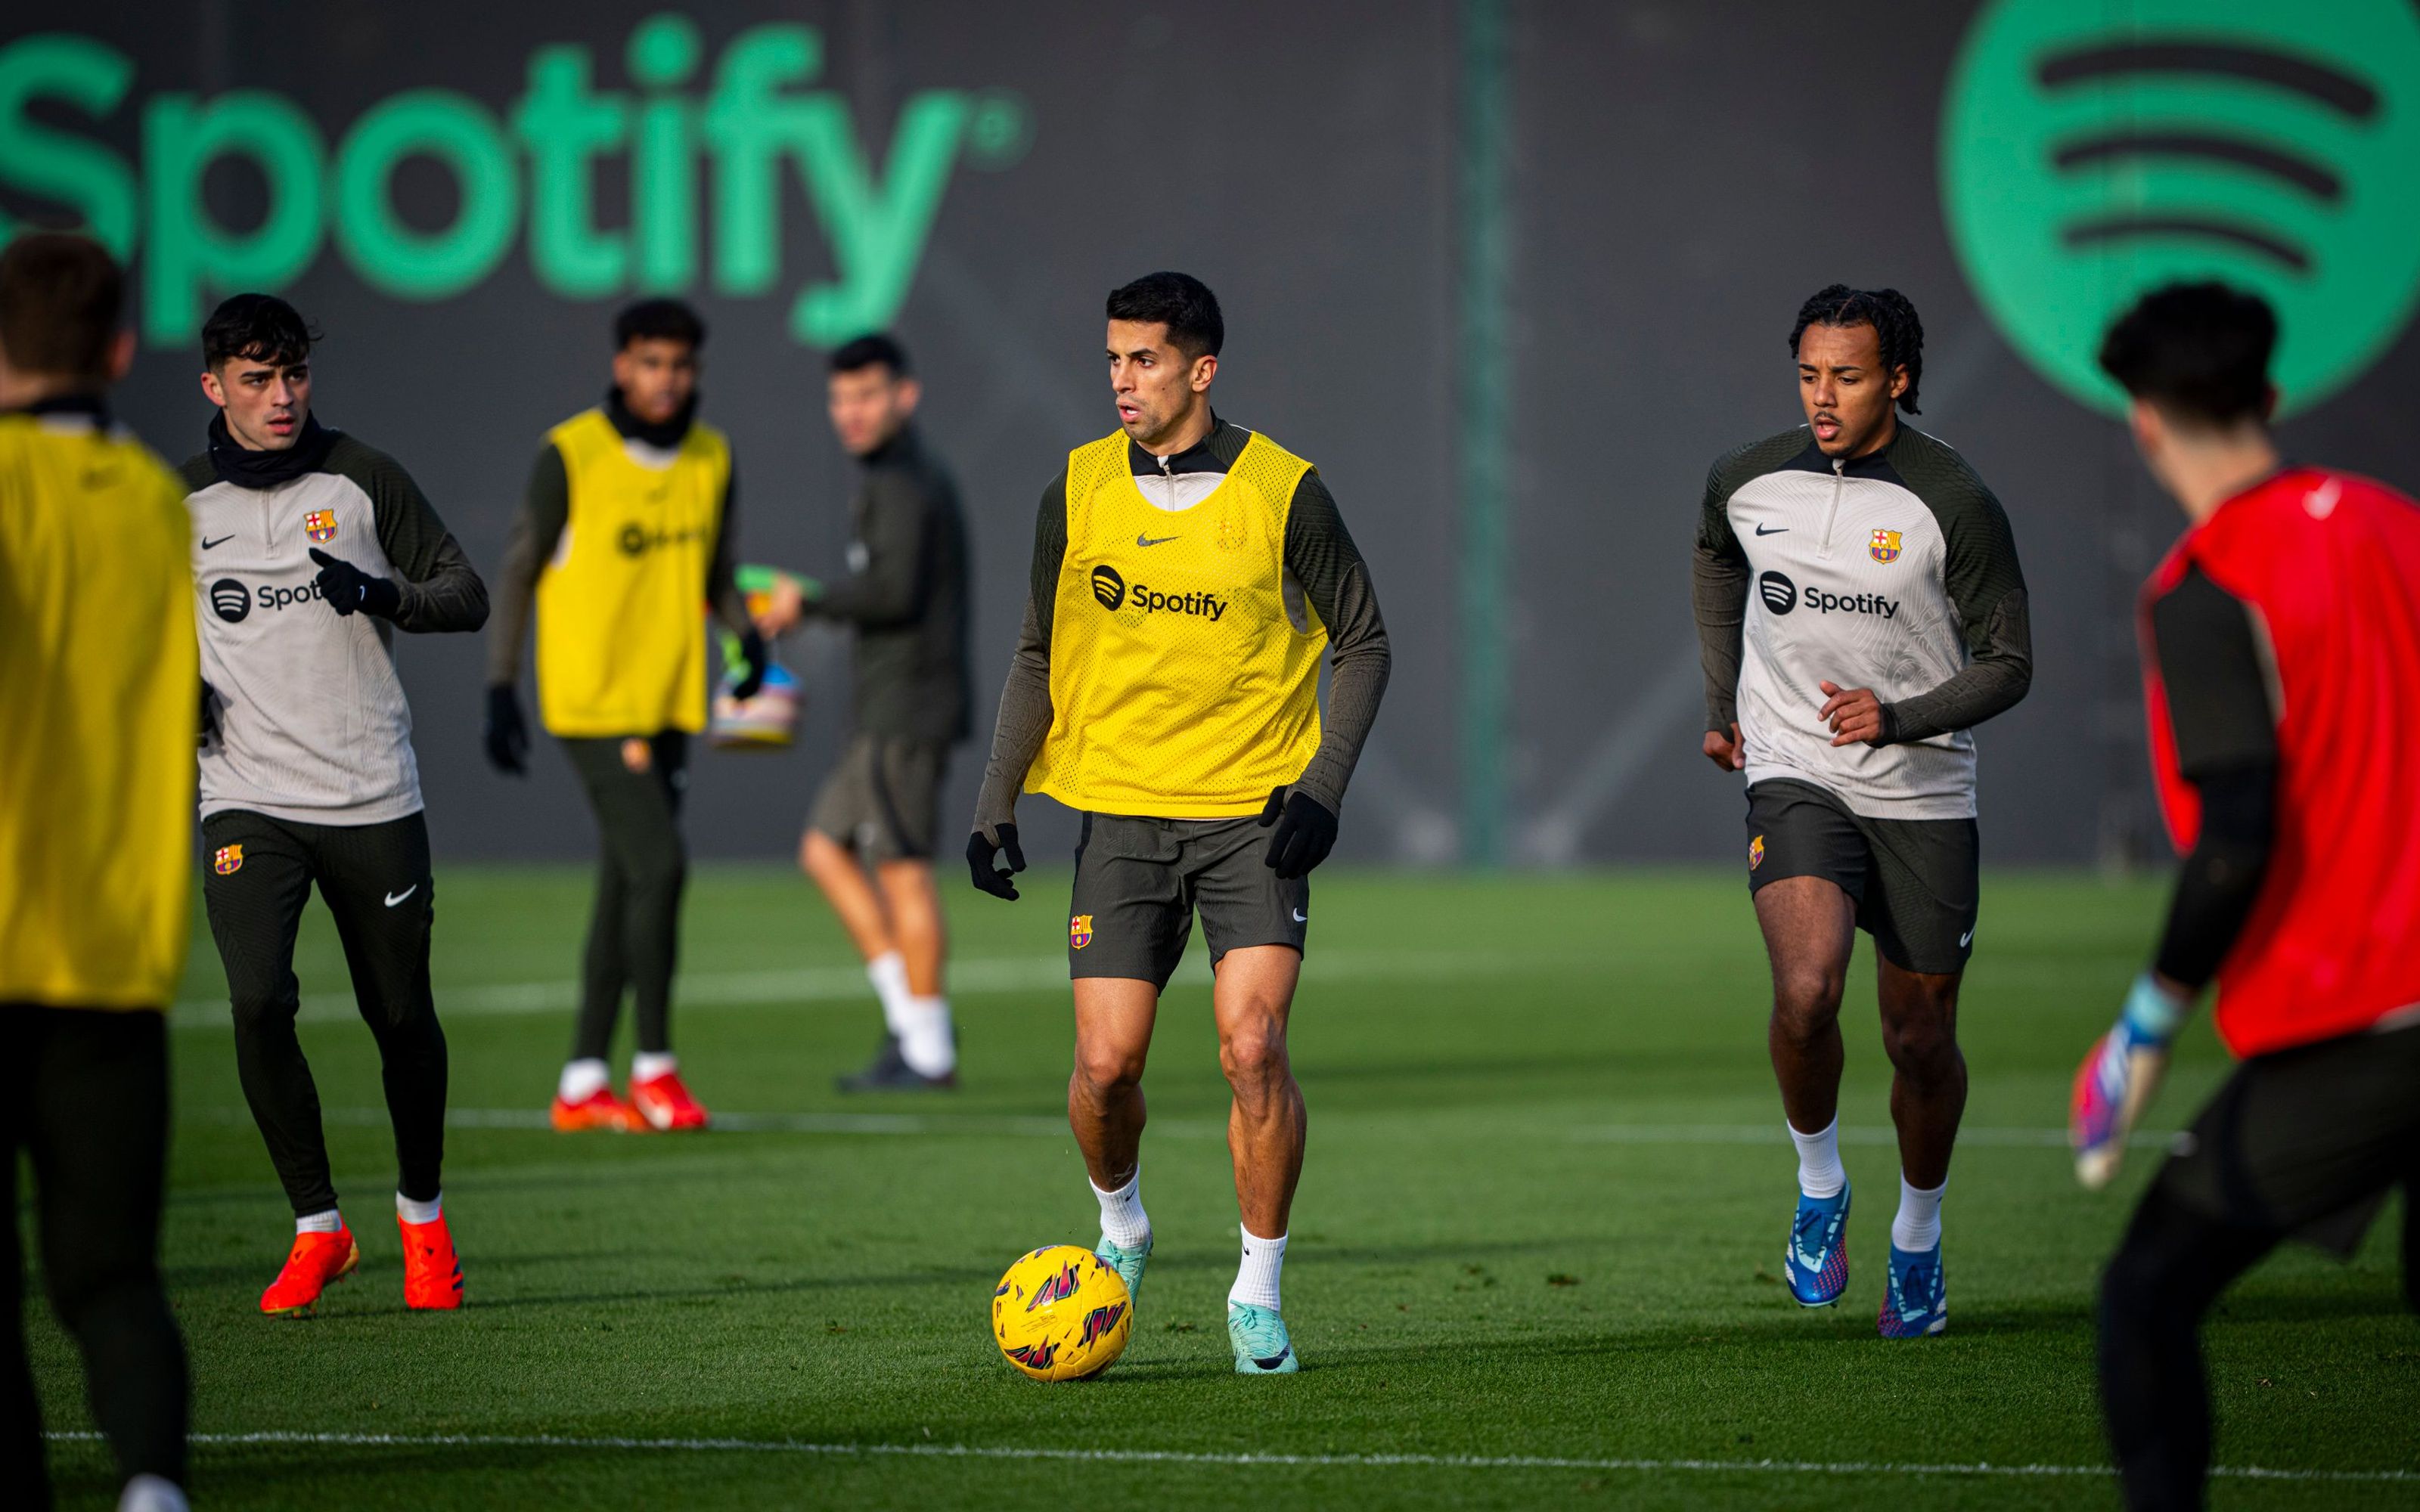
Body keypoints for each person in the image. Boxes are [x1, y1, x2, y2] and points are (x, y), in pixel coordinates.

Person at [966, 271, 1390, 1374]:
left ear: (1201, 369)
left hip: (1251, 818)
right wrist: (993, 802)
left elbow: (1366, 642)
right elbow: (1033, 653)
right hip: (1120, 816)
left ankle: (1258, 1290)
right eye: (1111, 357)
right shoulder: (1077, 487)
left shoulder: (1284, 490)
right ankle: (1123, 1227)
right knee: (1106, 1070)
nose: (1120, 379)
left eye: (1143, 359)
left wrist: (1323, 788)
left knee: (1252, 1048)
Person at [2077, 282, 2420, 1510]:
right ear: (2272, 397)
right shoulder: (2399, 523)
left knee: (2148, 1295)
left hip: (2373, 1015)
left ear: (2143, 423)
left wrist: (2144, 1030)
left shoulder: (2208, 582)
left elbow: (2234, 839)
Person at [1692, 284, 2031, 1337]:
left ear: (1899, 377)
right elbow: (1714, 557)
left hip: (1922, 790)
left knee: (1920, 1038)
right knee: (1806, 990)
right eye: (1808, 374)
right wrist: (1723, 704)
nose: (1823, 396)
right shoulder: (1748, 480)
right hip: (1795, 766)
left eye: (1846, 375)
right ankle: (1820, 1184)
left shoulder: (1954, 502)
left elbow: (2012, 664)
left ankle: (1919, 1245)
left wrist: (1899, 716)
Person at [182, 293, 485, 1317]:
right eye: (258, 380)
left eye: (294, 375)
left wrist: (384, 596)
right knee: (260, 1001)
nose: (280, 397)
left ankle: (423, 1220)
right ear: (214, 386)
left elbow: (465, 592)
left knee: (400, 1017)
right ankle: (319, 1227)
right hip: (244, 798)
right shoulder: (176, 506)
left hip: (369, 794)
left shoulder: (362, 479)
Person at [0, 232, 194, 1512]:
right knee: (112, 1274)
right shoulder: (157, 502)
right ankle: (155, 1490)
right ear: (122, 348)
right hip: (119, 958)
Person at [485, 299, 766, 1132]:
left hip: (672, 699)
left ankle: (579, 1079)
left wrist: (745, 638)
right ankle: (653, 1068)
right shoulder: (570, 454)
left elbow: (717, 572)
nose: (665, 379)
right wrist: (501, 686)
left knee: (624, 883)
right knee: (663, 867)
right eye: (649, 362)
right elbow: (518, 569)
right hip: (594, 703)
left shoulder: (712, 456)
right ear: (621, 365)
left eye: (679, 365)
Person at [758, 333, 973, 1092]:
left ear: (902, 396)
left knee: (905, 872)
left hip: (907, 708)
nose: (849, 413)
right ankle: (911, 1027)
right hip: (886, 707)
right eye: (839, 398)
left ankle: (930, 1049)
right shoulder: (886, 477)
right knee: (823, 849)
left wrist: (805, 601)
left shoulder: (905, 483)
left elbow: (894, 594)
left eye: (866, 396)